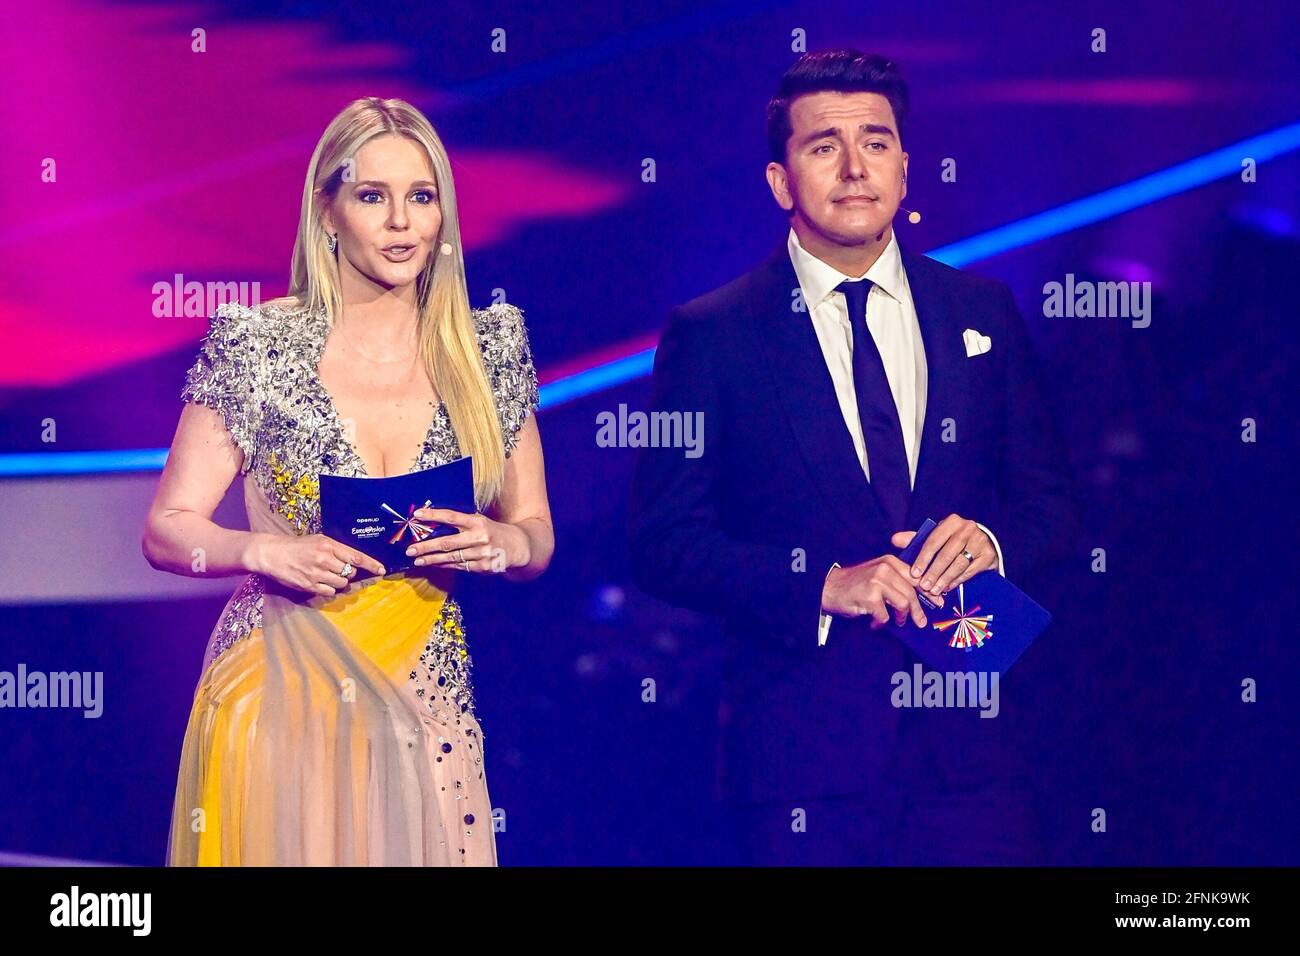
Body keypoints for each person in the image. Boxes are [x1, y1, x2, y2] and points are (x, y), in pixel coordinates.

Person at [627, 51, 1078, 865]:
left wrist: (996, 544)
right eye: (822, 145)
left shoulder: (982, 311)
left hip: (974, 756)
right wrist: (824, 586)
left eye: (876, 141)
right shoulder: (714, 334)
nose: (853, 166)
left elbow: (1055, 504)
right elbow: (665, 543)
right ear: (779, 180)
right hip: (803, 764)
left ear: (905, 168)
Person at [143, 97, 554, 866]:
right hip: (279, 690)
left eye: (421, 198)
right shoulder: (257, 344)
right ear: (327, 212)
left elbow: (537, 536)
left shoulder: (490, 347)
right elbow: (169, 527)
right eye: (373, 197)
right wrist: (265, 553)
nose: (402, 222)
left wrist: (501, 540)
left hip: (424, 691)